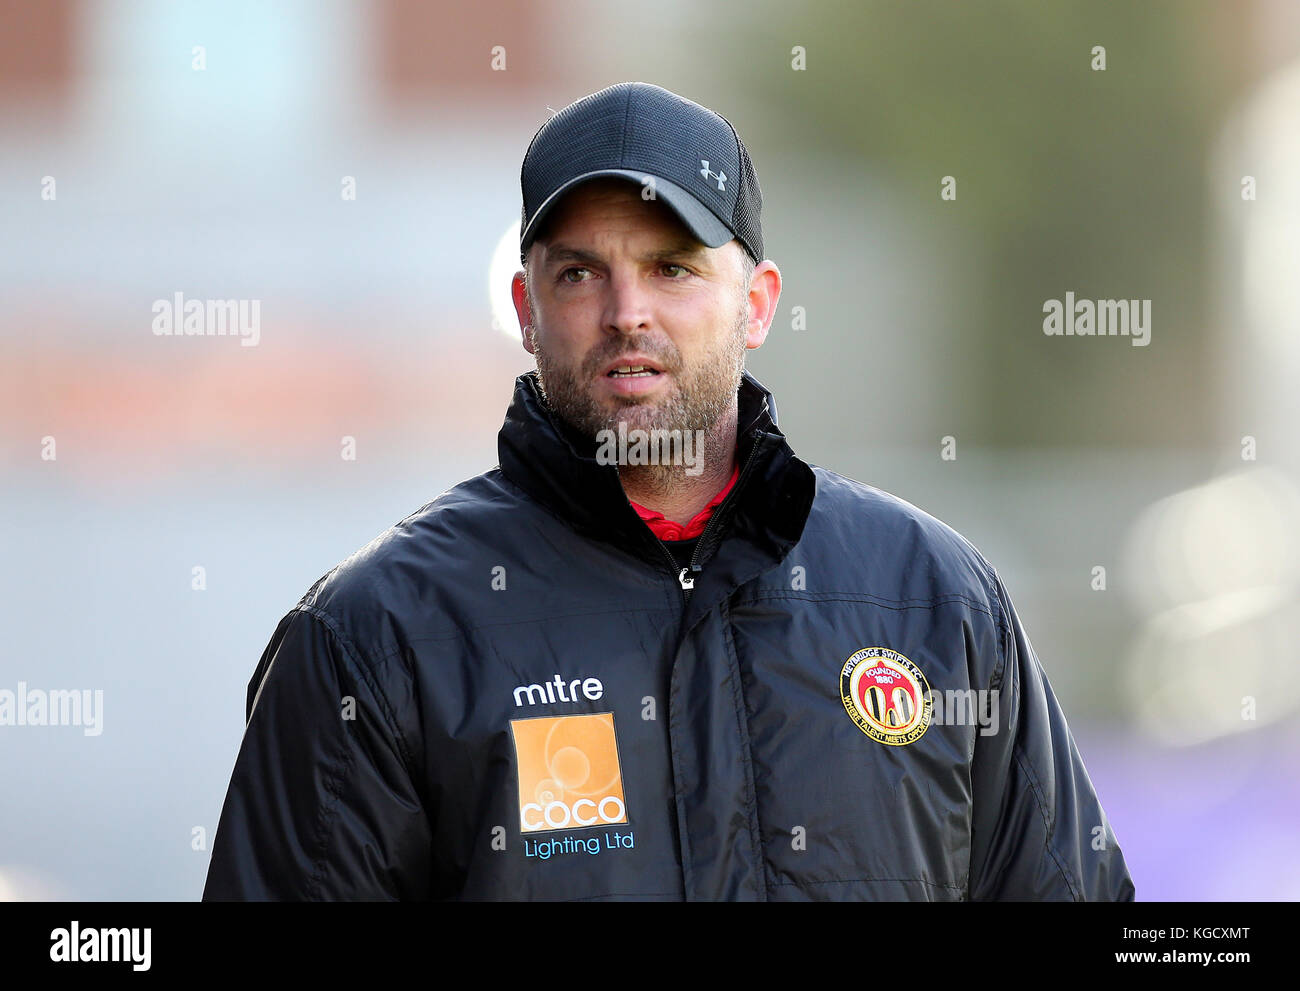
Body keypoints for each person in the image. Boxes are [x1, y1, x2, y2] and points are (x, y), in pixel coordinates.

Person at [202, 81, 1135, 901]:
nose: (626, 312)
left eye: (672, 267)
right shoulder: (378, 638)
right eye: (580, 273)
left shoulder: (933, 602)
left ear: (758, 303)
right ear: (527, 313)